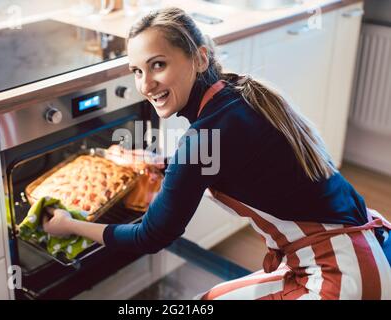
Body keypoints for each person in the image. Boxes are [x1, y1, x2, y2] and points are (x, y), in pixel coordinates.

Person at [43, 7, 391, 299]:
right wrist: (162, 163)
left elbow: (151, 236)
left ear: (199, 58)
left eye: (158, 65)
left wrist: (70, 225)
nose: (145, 85)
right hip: (368, 247)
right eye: (137, 70)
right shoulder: (239, 93)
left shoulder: (201, 140)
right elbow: (221, 161)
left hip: (341, 274)